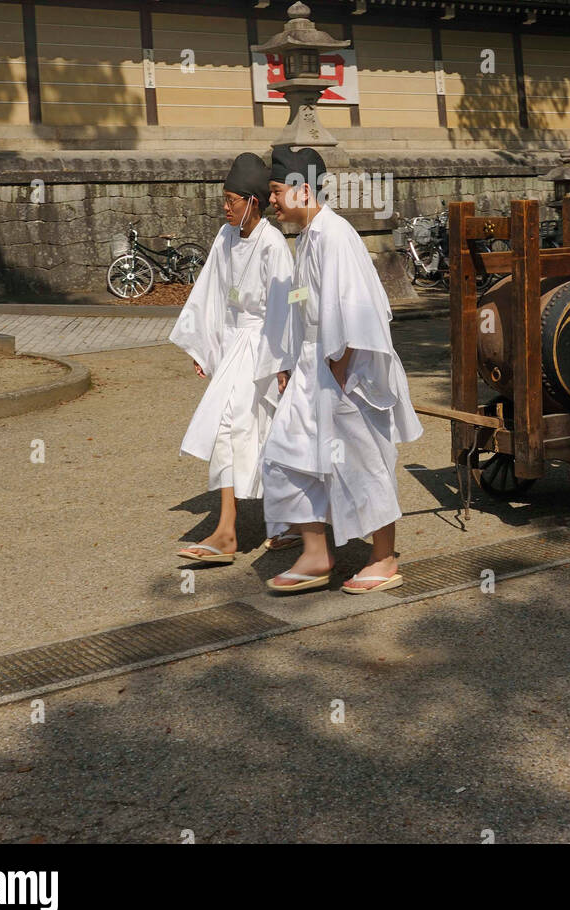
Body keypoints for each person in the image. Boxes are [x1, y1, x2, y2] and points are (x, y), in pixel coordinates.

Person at [258, 145, 422, 595]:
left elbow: (357, 307)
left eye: (276, 191)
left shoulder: (335, 235)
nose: (271, 200)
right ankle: (315, 553)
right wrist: (293, 363)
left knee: (363, 458)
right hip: (315, 366)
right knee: (287, 453)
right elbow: (303, 306)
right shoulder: (308, 236)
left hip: (345, 371)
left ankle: (384, 557)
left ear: (301, 189)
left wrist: (340, 368)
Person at [169, 152, 295, 564]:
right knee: (229, 428)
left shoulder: (273, 245)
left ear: (252, 202)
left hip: (264, 343)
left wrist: (282, 362)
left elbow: (283, 305)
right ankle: (226, 531)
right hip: (236, 345)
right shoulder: (224, 238)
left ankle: (289, 524)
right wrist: (205, 345)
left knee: (271, 432)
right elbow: (210, 293)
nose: (225, 207)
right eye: (223, 199)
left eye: (231, 200)